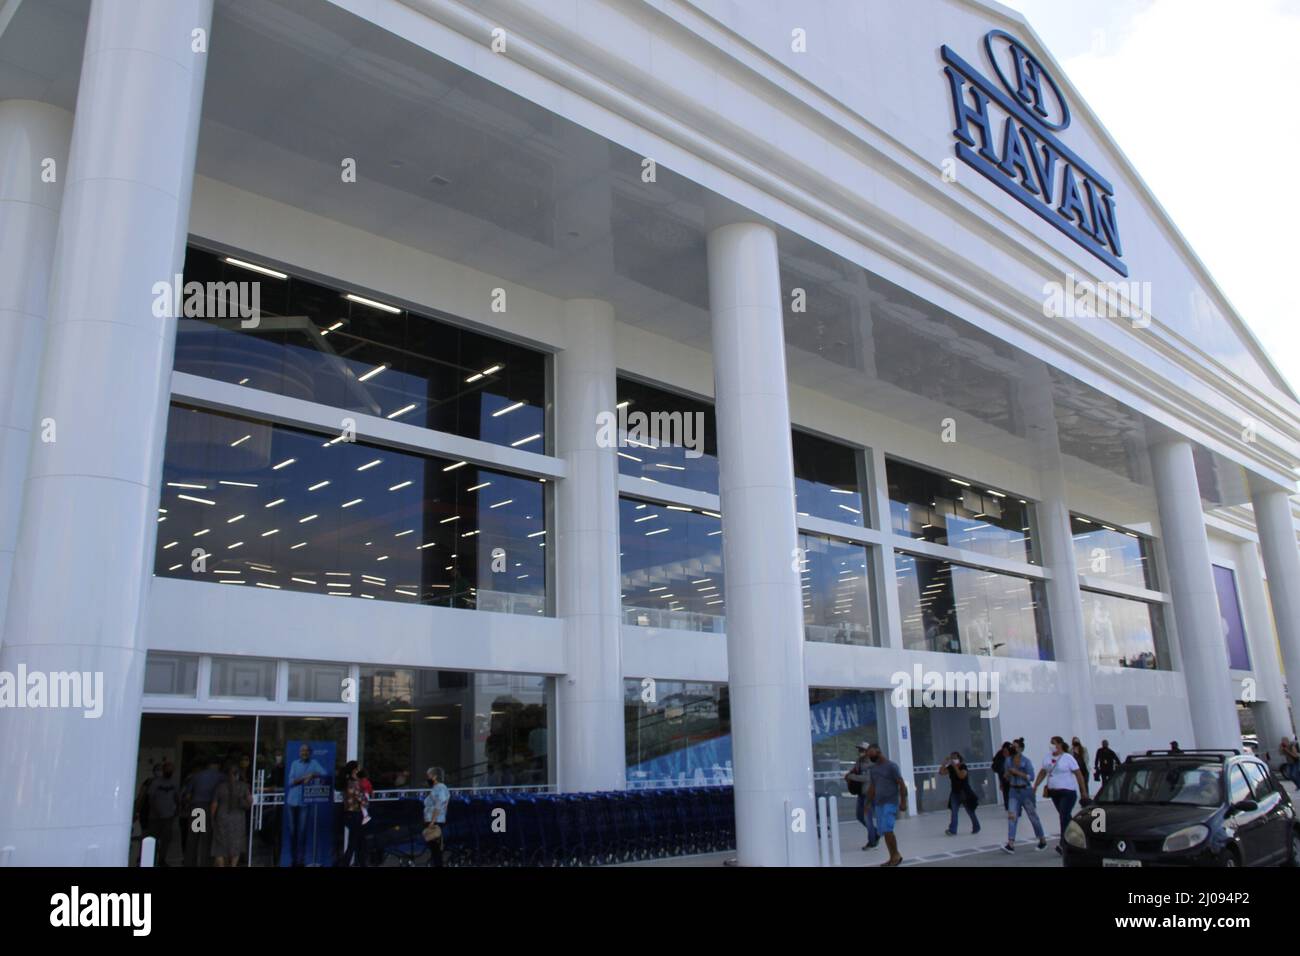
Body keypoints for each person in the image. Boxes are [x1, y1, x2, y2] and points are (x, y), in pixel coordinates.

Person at [1033, 735, 1088, 854]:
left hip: (1068, 792)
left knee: (1063, 816)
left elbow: (1079, 774)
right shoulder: (1047, 757)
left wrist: (1083, 791)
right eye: (1050, 743)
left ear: (1059, 744)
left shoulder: (1068, 758)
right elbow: (1043, 772)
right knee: (1066, 817)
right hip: (1054, 793)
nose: (1051, 745)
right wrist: (1036, 785)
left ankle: (1063, 844)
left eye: (1053, 743)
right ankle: (1077, 836)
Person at [863, 744, 907, 867]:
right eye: (868, 755)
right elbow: (873, 787)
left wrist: (903, 801)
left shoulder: (891, 766)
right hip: (878, 804)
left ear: (878, 752)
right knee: (884, 831)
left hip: (890, 802)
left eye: (871, 754)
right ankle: (893, 856)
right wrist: (867, 803)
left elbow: (901, 784)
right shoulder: (874, 769)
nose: (869, 756)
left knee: (888, 830)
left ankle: (895, 856)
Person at [1000, 740, 1047, 853]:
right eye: (1012, 746)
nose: (1013, 748)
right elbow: (1005, 776)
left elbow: (1031, 777)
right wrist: (1008, 774)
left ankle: (1042, 840)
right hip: (1013, 791)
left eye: (1015, 747)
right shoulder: (1008, 761)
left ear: (1020, 749)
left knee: (1032, 816)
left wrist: (1017, 772)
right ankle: (1010, 843)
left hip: (1025, 791)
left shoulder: (1026, 761)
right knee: (1012, 817)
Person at [285, 744, 327, 867]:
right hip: (292, 801)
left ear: (310, 752)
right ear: (299, 752)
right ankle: (293, 860)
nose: (304, 752)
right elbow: (290, 782)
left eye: (306, 750)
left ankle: (301, 861)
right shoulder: (294, 763)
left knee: (302, 832)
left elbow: (325, 774)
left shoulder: (314, 763)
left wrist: (313, 774)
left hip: (304, 802)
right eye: (302, 750)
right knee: (293, 832)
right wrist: (305, 777)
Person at [182, 757, 224, 867]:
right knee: (207, 839)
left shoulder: (196, 776)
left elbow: (187, 795)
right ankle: (205, 863)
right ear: (217, 765)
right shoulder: (220, 777)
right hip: (209, 808)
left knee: (193, 838)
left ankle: (189, 863)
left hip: (197, 808)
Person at [211, 761, 252, 867]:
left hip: (222, 819)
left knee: (220, 847)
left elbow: (214, 805)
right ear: (238, 774)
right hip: (238, 820)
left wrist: (211, 818)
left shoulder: (220, 787)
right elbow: (249, 802)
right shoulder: (244, 786)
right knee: (236, 846)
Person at [844, 742, 879, 850]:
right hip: (861, 794)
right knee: (859, 816)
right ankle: (875, 833)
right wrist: (849, 775)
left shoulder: (872, 763)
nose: (860, 752)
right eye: (859, 750)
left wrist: (852, 776)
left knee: (866, 818)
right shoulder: (859, 762)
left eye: (862, 750)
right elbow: (855, 772)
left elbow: (866, 778)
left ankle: (872, 843)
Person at [144, 760, 180, 866]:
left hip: (168, 816)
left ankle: (162, 859)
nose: (169, 771)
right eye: (168, 769)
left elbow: (177, 797)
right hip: (155, 817)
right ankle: (150, 860)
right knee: (152, 840)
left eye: (171, 769)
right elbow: (150, 798)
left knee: (166, 840)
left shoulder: (173, 783)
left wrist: (177, 808)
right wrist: (155, 811)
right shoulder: (156, 782)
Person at [939, 751, 980, 836]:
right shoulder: (950, 767)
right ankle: (952, 830)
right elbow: (941, 772)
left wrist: (955, 767)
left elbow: (961, 776)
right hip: (955, 793)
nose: (953, 759)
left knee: (970, 811)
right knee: (954, 812)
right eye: (952, 758)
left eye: (955, 758)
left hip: (964, 793)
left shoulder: (963, 767)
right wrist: (944, 763)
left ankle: (976, 827)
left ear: (959, 758)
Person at [337, 761, 369, 867]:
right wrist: (366, 799)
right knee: (354, 842)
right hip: (355, 815)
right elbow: (362, 799)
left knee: (359, 841)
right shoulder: (353, 783)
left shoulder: (348, 782)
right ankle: (346, 863)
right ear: (354, 770)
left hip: (350, 815)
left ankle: (361, 862)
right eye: (358, 768)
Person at [423, 766, 451, 867]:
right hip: (432, 820)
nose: (427, 778)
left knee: (436, 849)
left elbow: (439, 805)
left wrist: (433, 821)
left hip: (435, 822)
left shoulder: (441, 788)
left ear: (434, 776)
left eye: (428, 776)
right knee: (433, 849)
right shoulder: (434, 788)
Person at [991, 742, 1011, 808]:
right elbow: (999, 769)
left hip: (1008, 778)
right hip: (1005, 778)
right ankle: (1009, 807)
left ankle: (1011, 807)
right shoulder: (1000, 755)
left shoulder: (1010, 755)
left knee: (1009, 794)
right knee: (1006, 793)